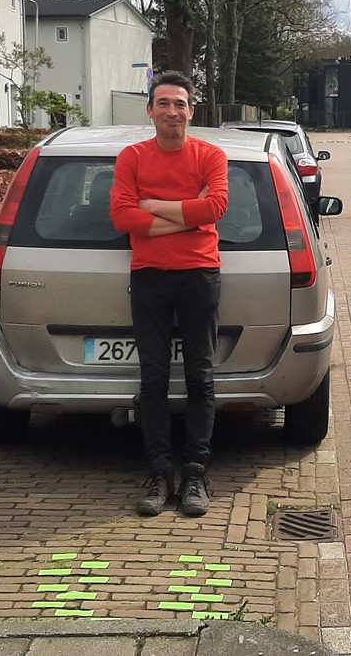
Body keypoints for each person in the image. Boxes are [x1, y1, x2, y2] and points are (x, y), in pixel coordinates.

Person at [109, 71, 229, 517]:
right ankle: (160, 473)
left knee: (200, 375)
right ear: (150, 110)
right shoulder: (132, 158)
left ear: (191, 110)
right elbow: (121, 216)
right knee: (153, 378)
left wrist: (152, 207)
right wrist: (187, 215)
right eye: (164, 103)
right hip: (149, 276)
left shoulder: (210, 155)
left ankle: (195, 472)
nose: (172, 112)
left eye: (180, 104)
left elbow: (216, 207)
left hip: (200, 274)